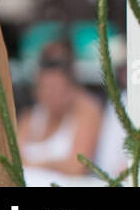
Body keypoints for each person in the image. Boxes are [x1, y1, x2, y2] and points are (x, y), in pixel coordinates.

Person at [16, 40, 104, 178]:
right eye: (46, 88)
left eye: (56, 88)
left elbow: (77, 167)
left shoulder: (87, 110)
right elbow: (12, 160)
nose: (51, 93)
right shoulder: (30, 117)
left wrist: (34, 164)